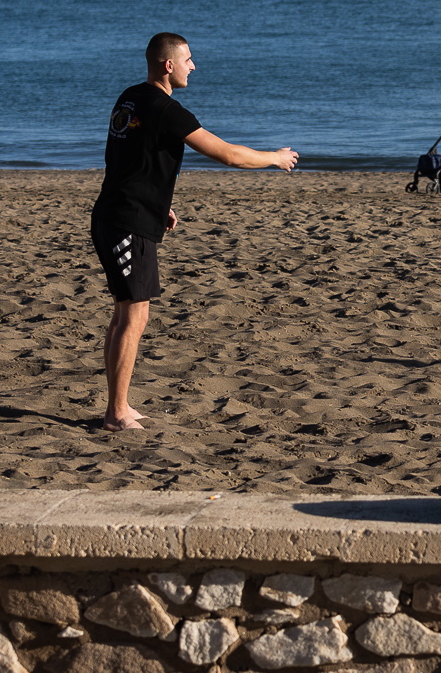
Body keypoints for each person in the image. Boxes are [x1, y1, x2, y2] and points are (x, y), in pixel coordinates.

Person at [90, 33, 299, 431]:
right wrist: (274, 158)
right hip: (125, 223)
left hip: (118, 213)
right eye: (188, 59)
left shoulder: (130, 98)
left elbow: (129, 157)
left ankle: (120, 405)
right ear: (168, 65)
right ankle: (116, 412)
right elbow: (227, 154)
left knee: (126, 315)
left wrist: (157, 203)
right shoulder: (168, 110)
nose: (193, 66)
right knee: (132, 318)